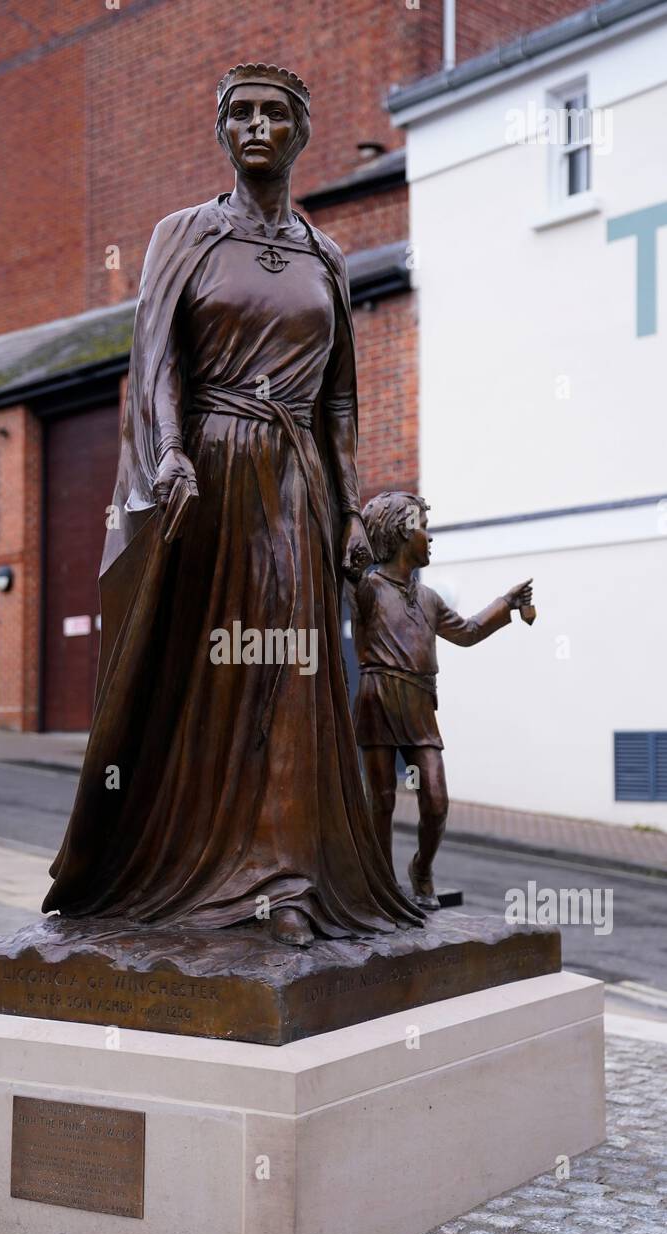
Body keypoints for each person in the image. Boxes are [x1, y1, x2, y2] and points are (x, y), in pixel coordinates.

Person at [42, 64, 424, 945]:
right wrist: (169, 453)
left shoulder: (325, 256)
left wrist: (351, 508)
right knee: (209, 669)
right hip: (210, 471)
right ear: (221, 131)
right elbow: (157, 362)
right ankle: (186, 855)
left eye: (274, 113)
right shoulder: (184, 235)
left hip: (299, 482)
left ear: (299, 132)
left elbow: (338, 401)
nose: (256, 126)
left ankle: (285, 876)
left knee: (292, 668)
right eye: (240, 113)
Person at [348, 491, 533, 909]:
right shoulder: (368, 589)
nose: (430, 538)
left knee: (434, 800)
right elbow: (347, 572)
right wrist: (351, 536)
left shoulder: (429, 599)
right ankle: (381, 881)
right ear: (401, 532)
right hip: (379, 699)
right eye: (423, 528)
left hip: (419, 705)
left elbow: (467, 632)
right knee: (381, 800)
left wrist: (506, 603)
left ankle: (422, 869)